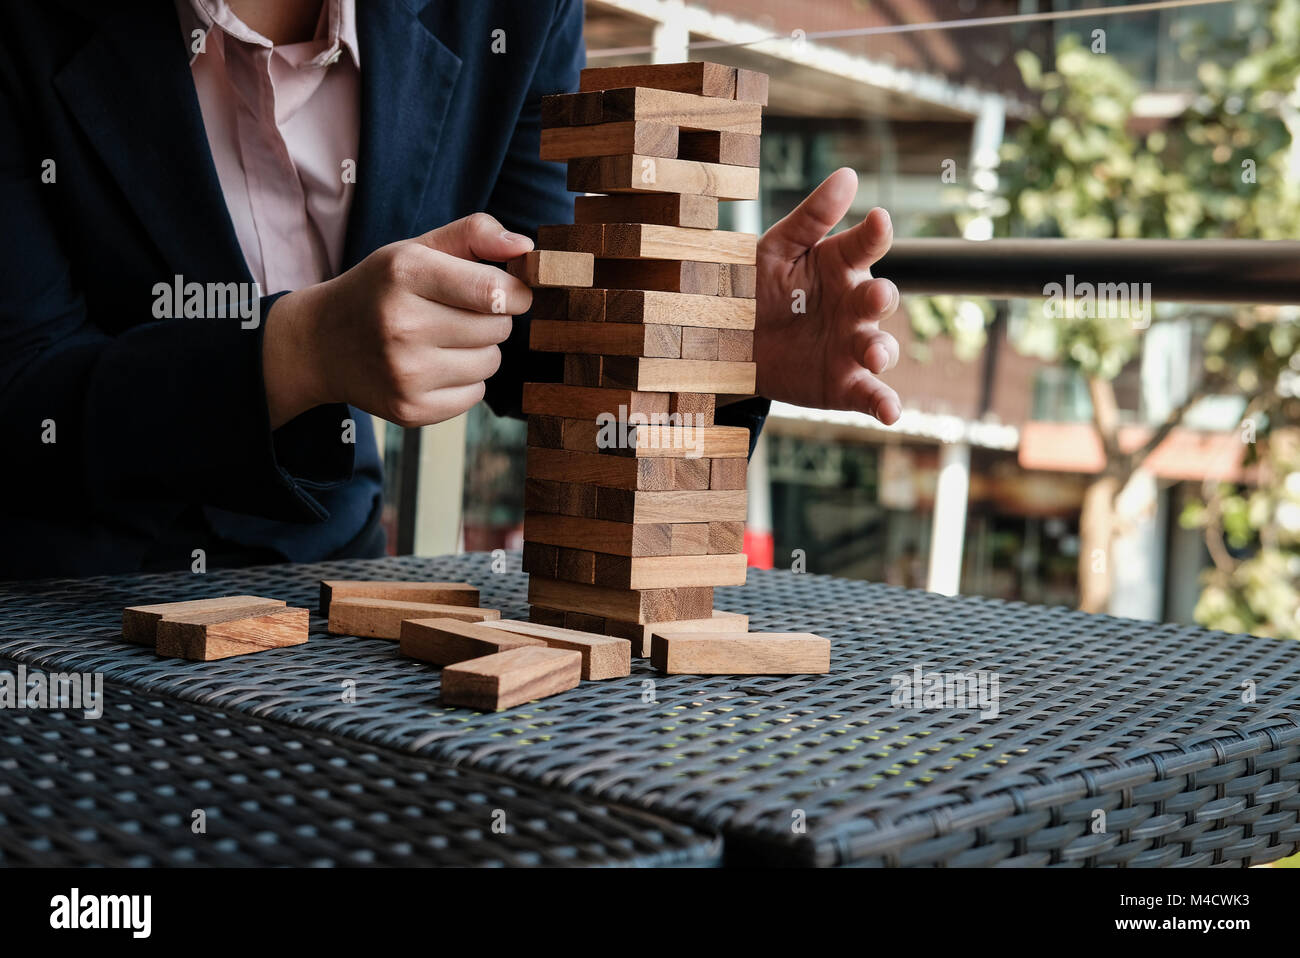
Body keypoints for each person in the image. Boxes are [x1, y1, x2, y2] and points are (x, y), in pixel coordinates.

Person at [0, 0, 902, 579]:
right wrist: (300, 352)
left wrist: (704, 344)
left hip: (323, 590)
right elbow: (18, 390)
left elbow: (525, 315)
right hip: (47, 597)